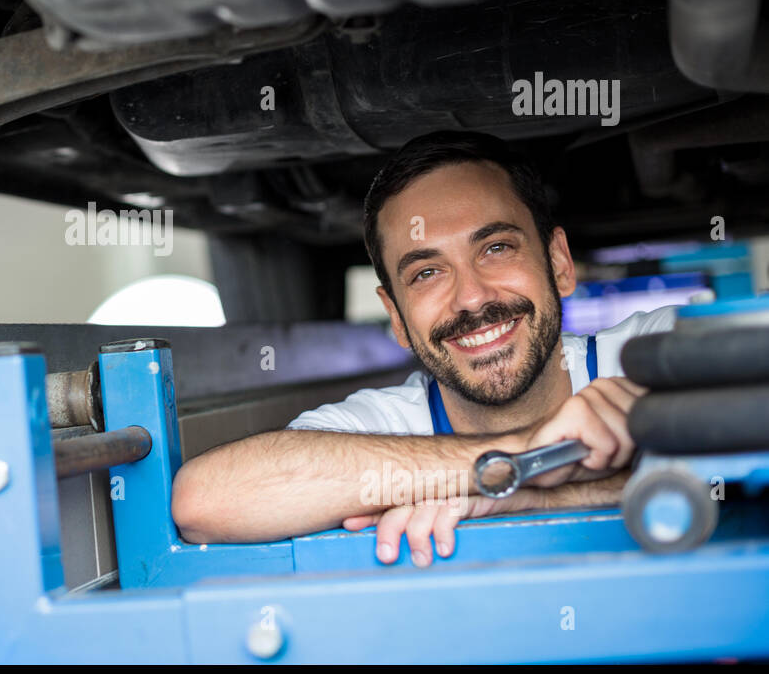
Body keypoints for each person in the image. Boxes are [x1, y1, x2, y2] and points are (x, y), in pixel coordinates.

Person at [171, 130, 677, 565]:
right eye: (427, 272)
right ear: (396, 316)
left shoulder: (651, 350)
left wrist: (525, 498)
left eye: (495, 248)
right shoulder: (386, 426)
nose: (472, 297)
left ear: (560, 263)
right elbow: (202, 502)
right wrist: (516, 460)